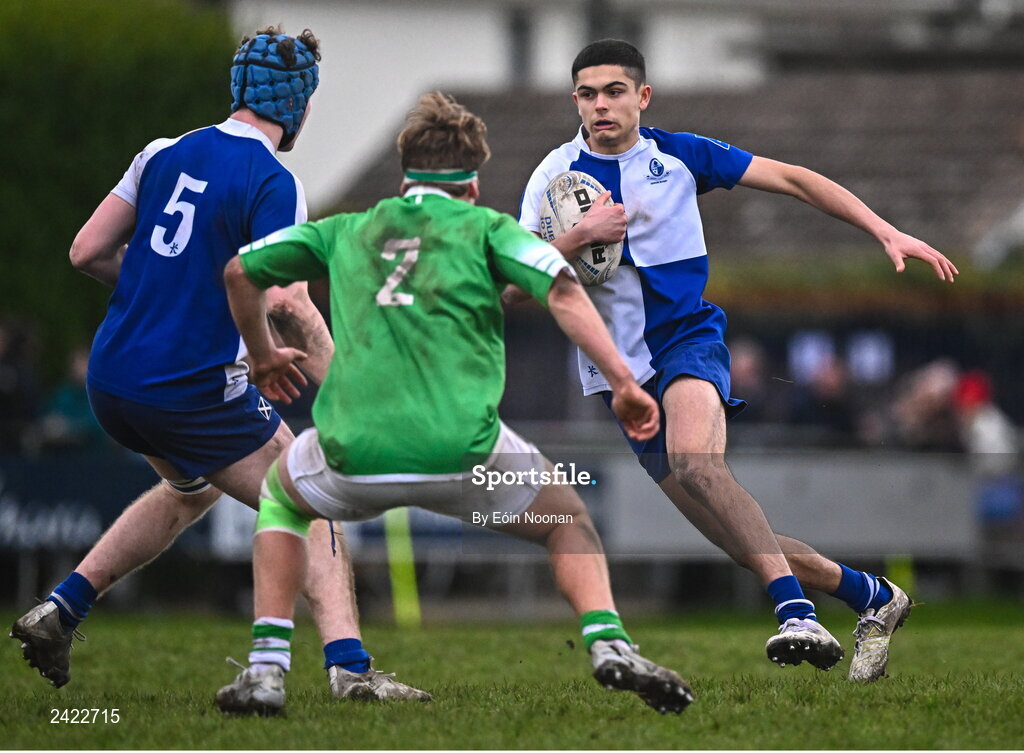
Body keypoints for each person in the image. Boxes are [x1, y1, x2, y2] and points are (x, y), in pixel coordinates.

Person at [212, 92, 693, 717]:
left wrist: (262, 353)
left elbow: (239, 273)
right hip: (466, 452)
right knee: (568, 521)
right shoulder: (487, 228)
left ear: (405, 178)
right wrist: (624, 383)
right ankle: (608, 644)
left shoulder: (345, 229)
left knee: (281, 498)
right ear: (471, 185)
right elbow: (562, 289)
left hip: (353, 451)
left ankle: (266, 669)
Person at [517, 39, 959, 682]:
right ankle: (872, 596)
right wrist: (578, 237)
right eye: (588, 93)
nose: (601, 105)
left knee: (699, 465)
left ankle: (796, 615)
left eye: (615, 91)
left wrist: (883, 230)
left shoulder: (680, 156)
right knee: (742, 542)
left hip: (688, 341)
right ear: (575, 101)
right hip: (619, 377)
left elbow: (793, 178)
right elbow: (513, 283)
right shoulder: (551, 177)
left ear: (643, 97)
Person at [10, 27, 425, 702]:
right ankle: (351, 672)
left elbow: (86, 251)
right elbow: (287, 301)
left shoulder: (161, 152)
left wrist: (164, 289)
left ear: (237, 90)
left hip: (113, 379)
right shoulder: (273, 182)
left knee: (190, 490)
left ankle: (61, 609)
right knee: (312, 497)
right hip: (187, 386)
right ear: (299, 108)